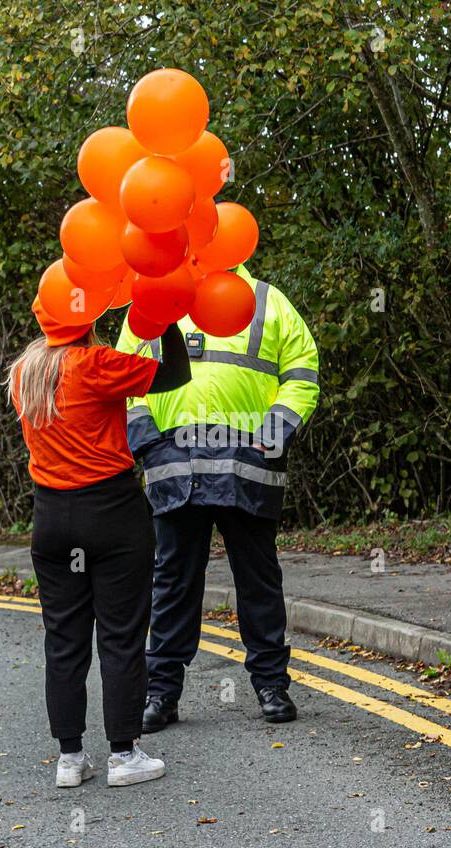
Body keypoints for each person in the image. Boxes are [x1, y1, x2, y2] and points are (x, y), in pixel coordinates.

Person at [116, 263, 320, 731]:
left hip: (246, 466)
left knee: (258, 581)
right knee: (173, 583)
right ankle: (161, 692)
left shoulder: (267, 301)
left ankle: (271, 685)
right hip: (176, 466)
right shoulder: (155, 299)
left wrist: (274, 432)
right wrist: (148, 440)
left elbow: (302, 373)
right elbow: (126, 380)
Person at [8, 296, 190, 787]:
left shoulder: (25, 371)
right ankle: (123, 754)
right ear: (87, 318)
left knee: (63, 640)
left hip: (51, 516)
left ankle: (69, 758)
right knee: (120, 636)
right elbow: (174, 375)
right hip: (110, 512)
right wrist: (165, 319)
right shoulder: (95, 362)